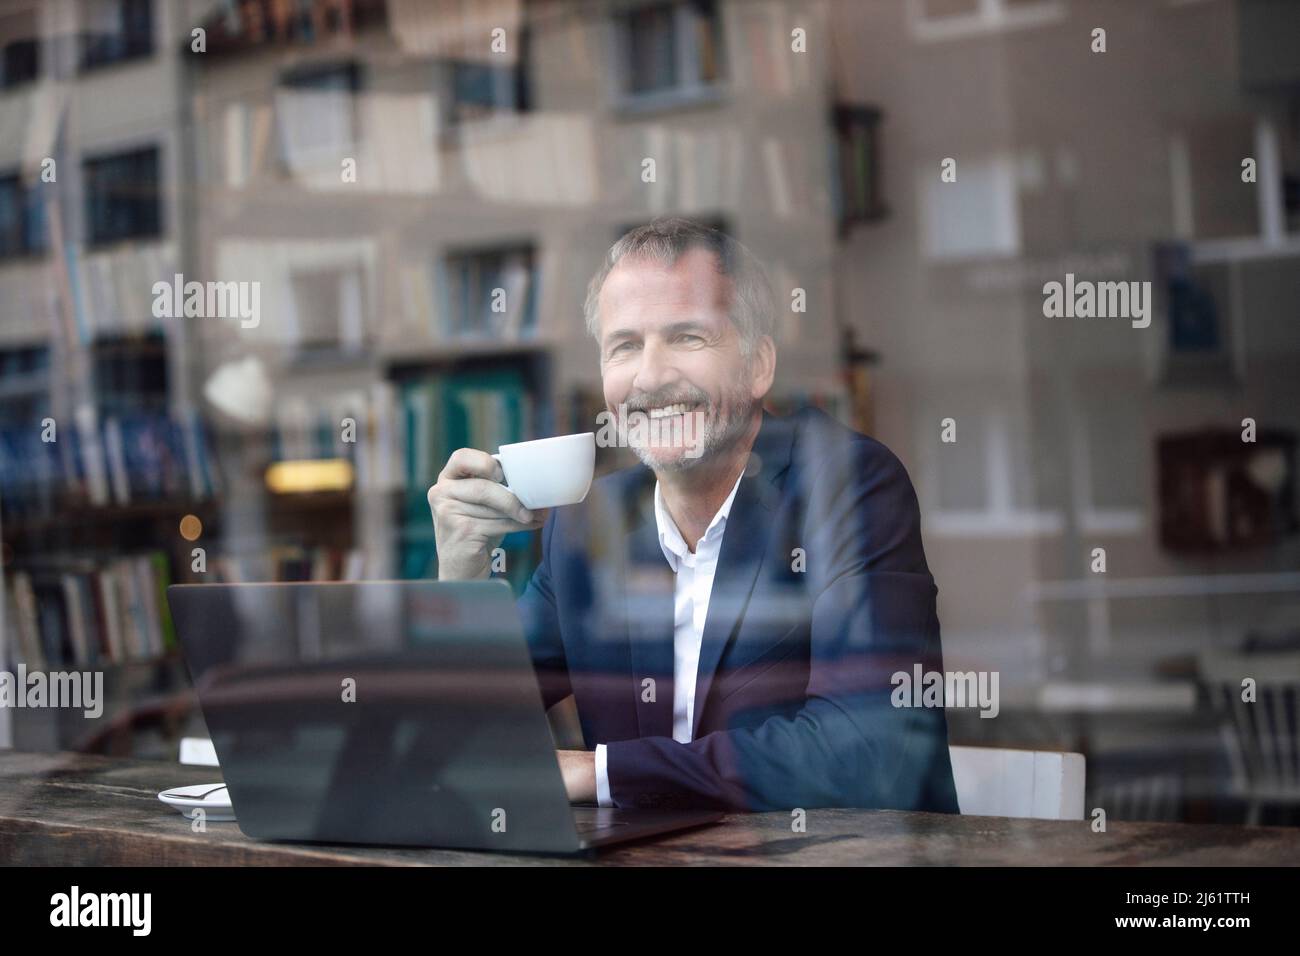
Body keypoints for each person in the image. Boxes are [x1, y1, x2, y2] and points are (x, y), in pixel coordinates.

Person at [427, 217, 959, 813]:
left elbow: (871, 751)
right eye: (625, 346)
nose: (651, 377)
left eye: (687, 337)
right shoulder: (591, 522)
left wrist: (602, 774)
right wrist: (462, 575)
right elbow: (464, 727)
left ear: (759, 366)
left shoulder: (849, 487)